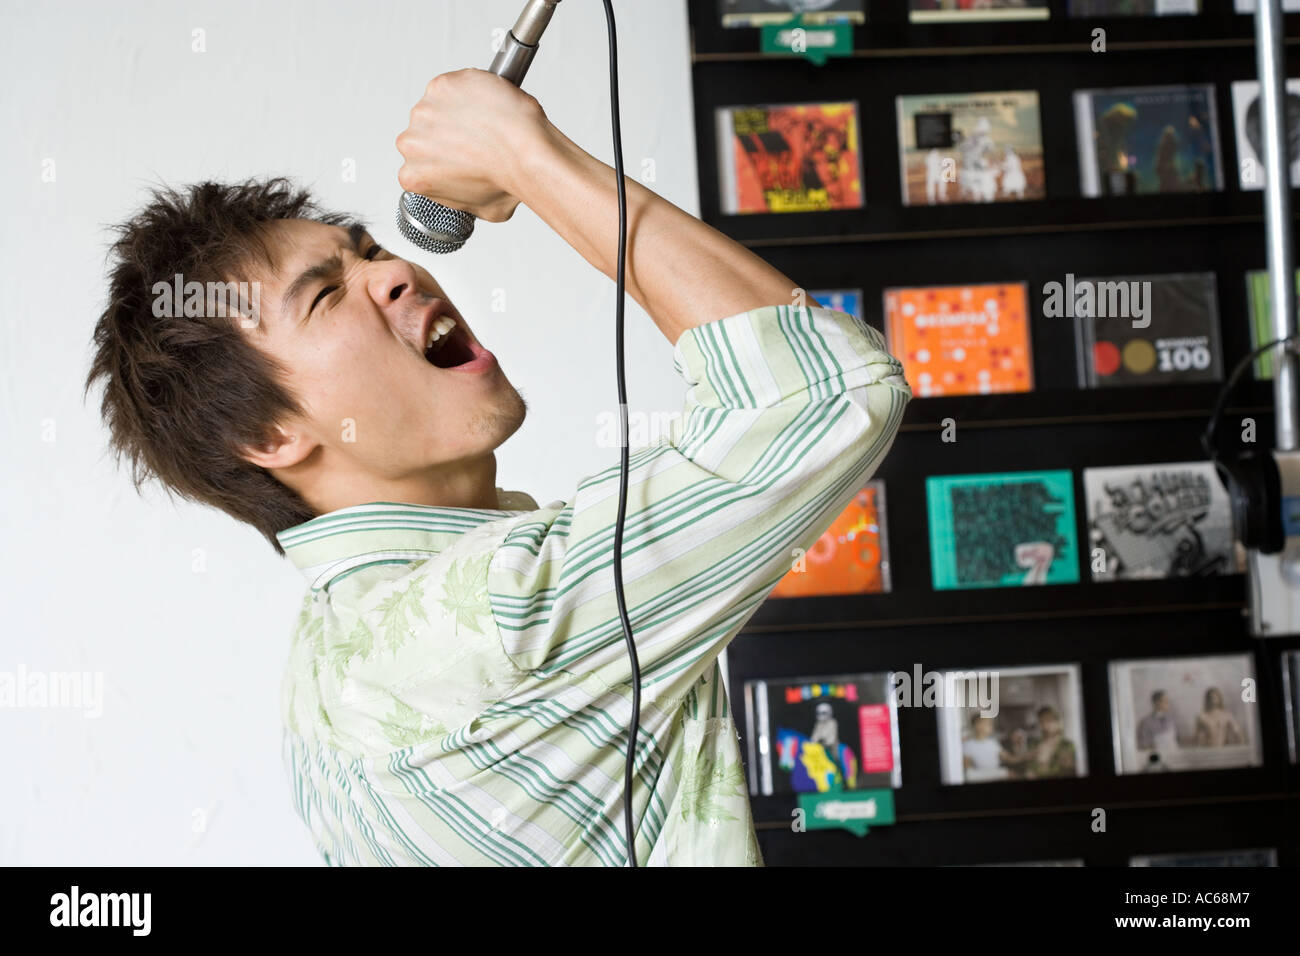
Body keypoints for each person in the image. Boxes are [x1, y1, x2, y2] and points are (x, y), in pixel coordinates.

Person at [84, 68, 912, 866]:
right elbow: (821, 393)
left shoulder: (326, 666)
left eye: (368, 250)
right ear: (268, 437)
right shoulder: (495, 618)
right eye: (327, 294)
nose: (396, 272)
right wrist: (527, 155)